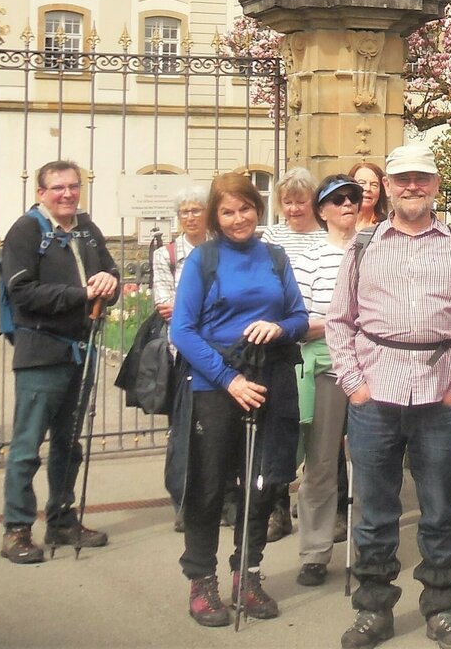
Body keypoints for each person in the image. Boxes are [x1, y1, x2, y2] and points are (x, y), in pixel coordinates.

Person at [326, 144, 451, 649]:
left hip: (439, 396)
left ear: (436, 185)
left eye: (422, 178)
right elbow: (339, 319)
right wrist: (354, 385)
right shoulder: (363, 244)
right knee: (376, 513)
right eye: (402, 179)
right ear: (389, 187)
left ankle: (442, 608)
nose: (412, 186)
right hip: (375, 396)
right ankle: (373, 609)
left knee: (439, 512)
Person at [171, 172, 309, 628]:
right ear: (216, 216)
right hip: (217, 384)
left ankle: (246, 573)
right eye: (227, 212)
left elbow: (299, 317)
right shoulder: (204, 259)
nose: (238, 219)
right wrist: (229, 380)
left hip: (269, 377)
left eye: (245, 208)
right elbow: (182, 330)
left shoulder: (275, 257)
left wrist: (278, 327)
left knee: (262, 482)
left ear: (257, 208)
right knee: (210, 484)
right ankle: (201, 580)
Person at [0, 159, 120, 564]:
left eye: (73, 186)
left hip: (80, 350)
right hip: (41, 351)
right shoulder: (26, 231)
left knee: (69, 444)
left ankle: (62, 520)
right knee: (27, 446)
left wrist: (110, 282)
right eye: (58, 188)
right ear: (41, 193)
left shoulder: (87, 228)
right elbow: (22, 292)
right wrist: (81, 295)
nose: (67, 194)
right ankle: (17, 529)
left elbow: (110, 273)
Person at [296, 173, 365, 587]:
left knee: (369, 463)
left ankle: (369, 548)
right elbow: (299, 323)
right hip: (325, 369)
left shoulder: (374, 250)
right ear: (321, 211)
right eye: (337, 199)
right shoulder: (308, 259)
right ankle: (315, 551)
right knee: (321, 463)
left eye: (352, 197)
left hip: (373, 368)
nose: (347, 205)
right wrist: (341, 321)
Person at [260, 166, 324, 542]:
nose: (294, 209)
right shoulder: (272, 236)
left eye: (301, 201)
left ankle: (315, 499)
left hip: (318, 338)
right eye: (288, 202)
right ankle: (277, 507)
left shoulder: (325, 234)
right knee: (280, 428)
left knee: (315, 428)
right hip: (282, 340)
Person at [151, 185, 207, 527]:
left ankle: (222, 498)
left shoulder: (220, 249)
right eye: (184, 211)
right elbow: (166, 306)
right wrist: (206, 310)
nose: (190, 217)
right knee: (182, 431)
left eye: (196, 210)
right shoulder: (166, 256)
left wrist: (190, 309)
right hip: (182, 354)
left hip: (218, 353)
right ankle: (183, 500)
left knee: (216, 429)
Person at [350, 160, 390, 225]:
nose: (368, 188)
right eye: (362, 183)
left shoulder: (387, 226)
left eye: (374, 185)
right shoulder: (337, 222)